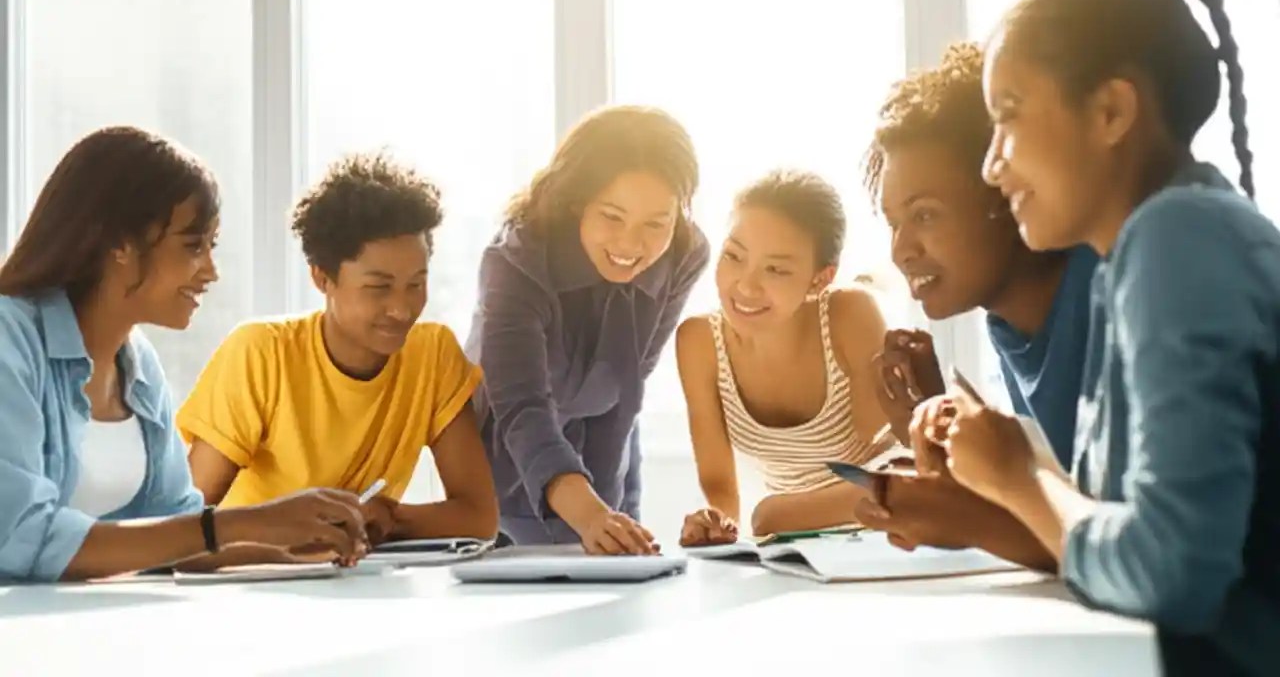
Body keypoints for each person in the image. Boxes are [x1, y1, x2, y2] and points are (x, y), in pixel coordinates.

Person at [919, 0, 1277, 674]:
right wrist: (992, 478)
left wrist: (1019, 476)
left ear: (1111, 111)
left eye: (1009, 116)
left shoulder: (1174, 239)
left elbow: (1172, 572)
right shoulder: (1146, 254)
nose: (991, 165)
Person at [0, 126, 366, 582]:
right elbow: (19, 535)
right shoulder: (9, 340)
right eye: (193, 246)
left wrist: (292, 546)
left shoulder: (138, 366)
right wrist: (238, 524)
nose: (210, 272)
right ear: (119, 243)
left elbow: (177, 531)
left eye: (211, 246)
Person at [852, 43, 1095, 565]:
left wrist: (971, 522)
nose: (900, 250)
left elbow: (1141, 552)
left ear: (1006, 186)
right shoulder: (1011, 324)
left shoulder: (1106, 285)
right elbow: (1075, 511)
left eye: (925, 215)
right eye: (894, 223)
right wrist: (938, 435)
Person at [181, 153, 498, 544]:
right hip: (250, 580)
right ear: (322, 277)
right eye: (379, 287)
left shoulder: (433, 354)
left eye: (416, 284)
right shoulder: (261, 354)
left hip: (357, 582)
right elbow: (183, 523)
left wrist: (388, 517)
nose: (402, 309)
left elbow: (478, 517)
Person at [465, 105, 708, 554]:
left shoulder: (684, 254)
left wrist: (607, 514)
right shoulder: (515, 261)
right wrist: (589, 515)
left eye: (656, 222)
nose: (631, 245)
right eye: (612, 217)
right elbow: (522, 408)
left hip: (609, 439)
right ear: (578, 199)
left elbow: (628, 381)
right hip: (509, 447)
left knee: (615, 570)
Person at [676, 170, 895, 545]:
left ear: (819, 279)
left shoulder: (849, 314)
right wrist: (716, 525)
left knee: (768, 515)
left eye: (775, 269)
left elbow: (887, 444)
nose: (745, 285)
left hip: (885, 512)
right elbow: (718, 484)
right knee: (767, 517)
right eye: (734, 256)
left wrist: (786, 515)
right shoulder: (699, 341)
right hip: (800, 539)